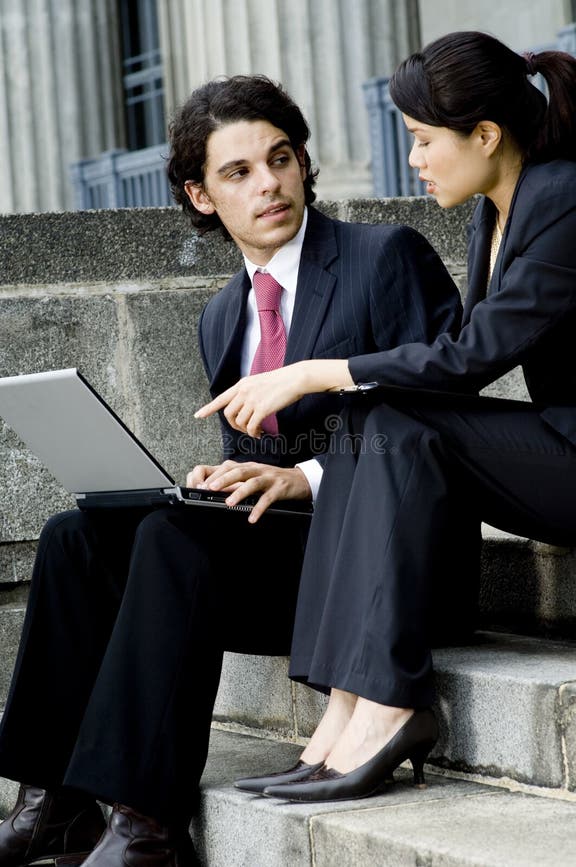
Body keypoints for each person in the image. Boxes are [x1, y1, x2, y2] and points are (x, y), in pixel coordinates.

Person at [0, 75, 463, 865]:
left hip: (387, 572)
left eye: (280, 159)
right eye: (238, 172)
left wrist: (307, 475)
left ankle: (146, 820)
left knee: (175, 541)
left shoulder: (383, 256)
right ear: (200, 194)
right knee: (78, 536)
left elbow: (440, 421)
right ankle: (52, 802)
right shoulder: (223, 315)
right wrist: (229, 481)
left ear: (304, 162)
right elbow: (252, 464)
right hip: (285, 565)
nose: (269, 184)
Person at [196, 33, 576, 803]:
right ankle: (346, 706)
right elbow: (453, 364)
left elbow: (472, 356)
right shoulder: (494, 213)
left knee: (385, 414)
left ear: (486, 136)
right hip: (558, 451)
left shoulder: (564, 195)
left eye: (423, 140)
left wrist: (313, 371)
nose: (416, 161)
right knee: (378, 418)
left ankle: (386, 704)